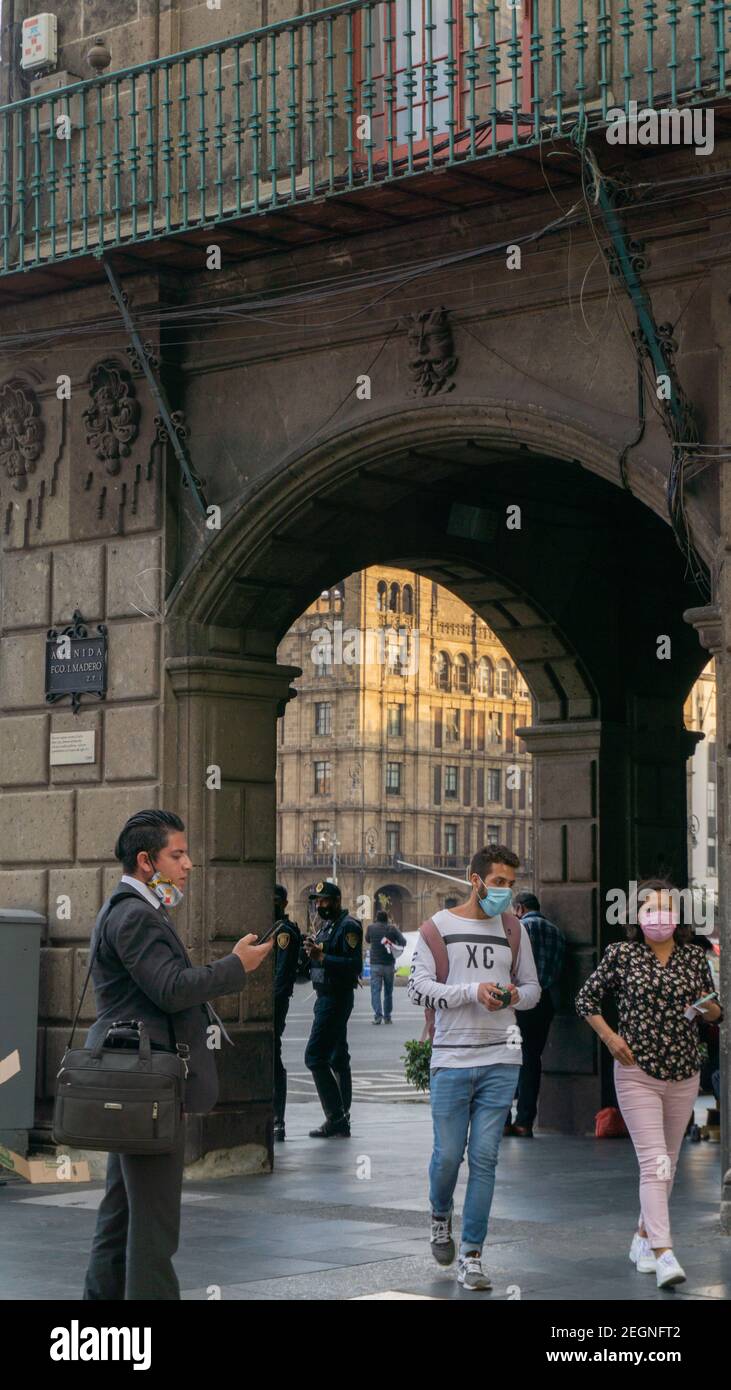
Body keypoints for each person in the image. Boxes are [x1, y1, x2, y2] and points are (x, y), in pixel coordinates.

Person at [82, 809, 272, 1300]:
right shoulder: (135, 916)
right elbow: (169, 989)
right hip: (145, 1087)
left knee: (122, 1214)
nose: (188, 864)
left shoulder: (131, 910)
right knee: (154, 1224)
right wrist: (235, 966)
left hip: (133, 1081)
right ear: (147, 861)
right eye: (178, 854)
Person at [575, 877, 723, 1290]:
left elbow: (713, 1011)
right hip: (637, 1071)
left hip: (684, 1071)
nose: (660, 917)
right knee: (654, 1161)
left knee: (669, 1163)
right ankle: (664, 1251)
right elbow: (586, 1000)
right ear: (636, 916)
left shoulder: (694, 958)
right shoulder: (622, 955)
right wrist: (610, 1036)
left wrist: (709, 1010)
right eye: (650, 909)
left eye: (667, 908)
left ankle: (642, 1237)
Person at [408, 844, 540, 1290]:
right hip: (451, 1057)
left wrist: (512, 996)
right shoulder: (436, 928)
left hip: (502, 1056)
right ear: (475, 879)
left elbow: (534, 988)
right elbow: (418, 989)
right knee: (448, 1156)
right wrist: (471, 992)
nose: (504, 891)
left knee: (484, 1158)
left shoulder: (515, 930)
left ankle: (472, 1255)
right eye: (498, 882)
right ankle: (440, 1214)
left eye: (511, 884)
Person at [303, 878, 362, 1138]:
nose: (320, 905)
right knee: (339, 1056)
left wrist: (322, 957)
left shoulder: (348, 926)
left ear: (337, 901)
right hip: (323, 995)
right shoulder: (328, 926)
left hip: (336, 998)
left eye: (325, 901)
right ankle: (343, 1114)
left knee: (314, 1057)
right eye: (318, 901)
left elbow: (353, 965)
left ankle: (336, 1117)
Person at [505, 891, 565, 1137]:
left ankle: (503, 1120)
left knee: (507, 1059)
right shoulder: (557, 932)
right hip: (543, 1002)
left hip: (516, 1001)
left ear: (519, 908)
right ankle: (525, 1122)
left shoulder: (517, 929)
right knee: (531, 1060)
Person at [273, 884, 302, 1143]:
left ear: (282, 903)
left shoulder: (284, 932)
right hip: (269, 1003)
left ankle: (277, 1120)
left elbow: (281, 976)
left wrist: (271, 1004)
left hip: (274, 1005)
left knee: (273, 1057)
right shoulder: (271, 928)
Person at [366, 909, 407, 1024]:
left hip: (375, 964)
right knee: (388, 992)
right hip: (389, 965)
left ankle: (378, 1016)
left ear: (376, 918)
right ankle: (387, 1017)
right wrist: (393, 943)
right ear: (387, 918)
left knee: (375, 991)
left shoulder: (371, 928)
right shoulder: (392, 928)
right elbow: (403, 942)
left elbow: (367, 940)